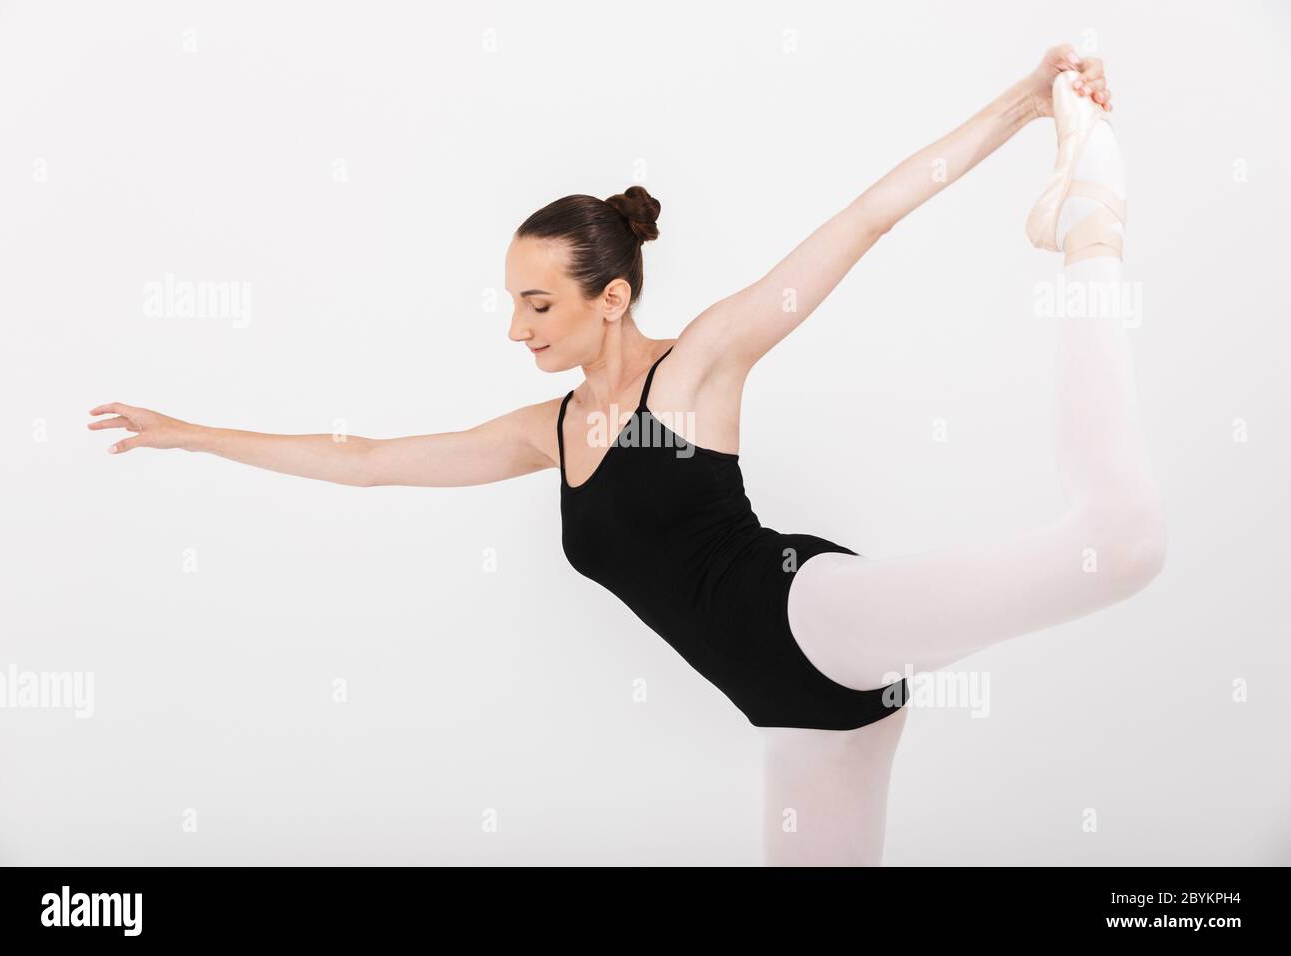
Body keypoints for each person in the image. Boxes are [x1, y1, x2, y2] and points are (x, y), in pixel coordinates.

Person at [89, 43, 1162, 866]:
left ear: (612, 300)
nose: (518, 327)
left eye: (538, 301)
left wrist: (1027, 104)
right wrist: (193, 433)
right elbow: (365, 458)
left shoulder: (695, 368)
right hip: (792, 711)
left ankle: (1088, 223)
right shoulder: (547, 432)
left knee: (1118, 547)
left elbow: (867, 216)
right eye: (511, 301)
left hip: (812, 614)